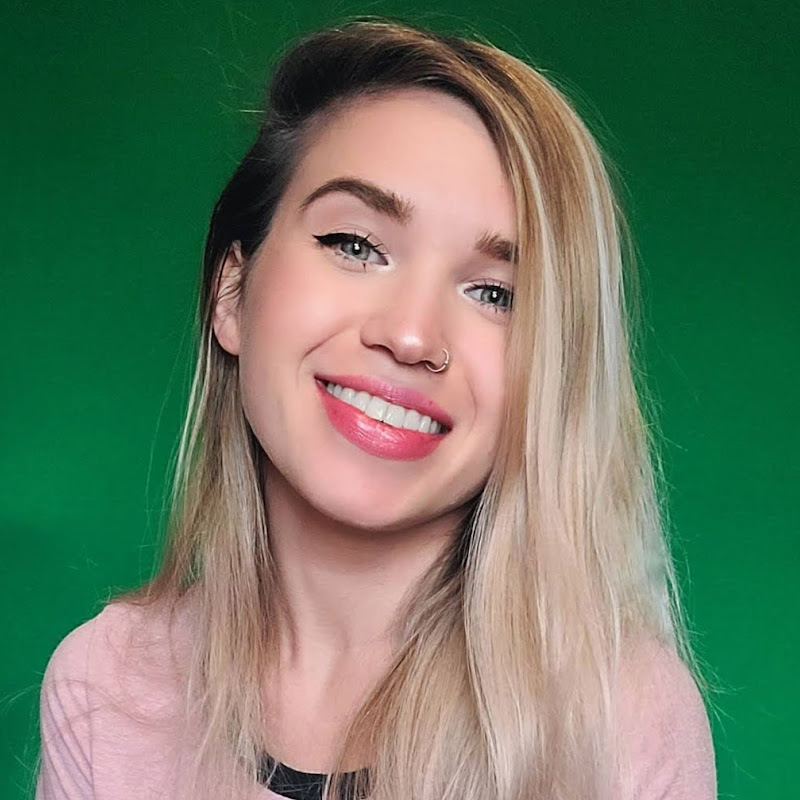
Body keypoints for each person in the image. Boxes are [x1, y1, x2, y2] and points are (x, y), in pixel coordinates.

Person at [35, 17, 716, 800]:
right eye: (355, 246)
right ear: (232, 292)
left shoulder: (617, 724)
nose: (412, 334)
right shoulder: (106, 687)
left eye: (496, 294)